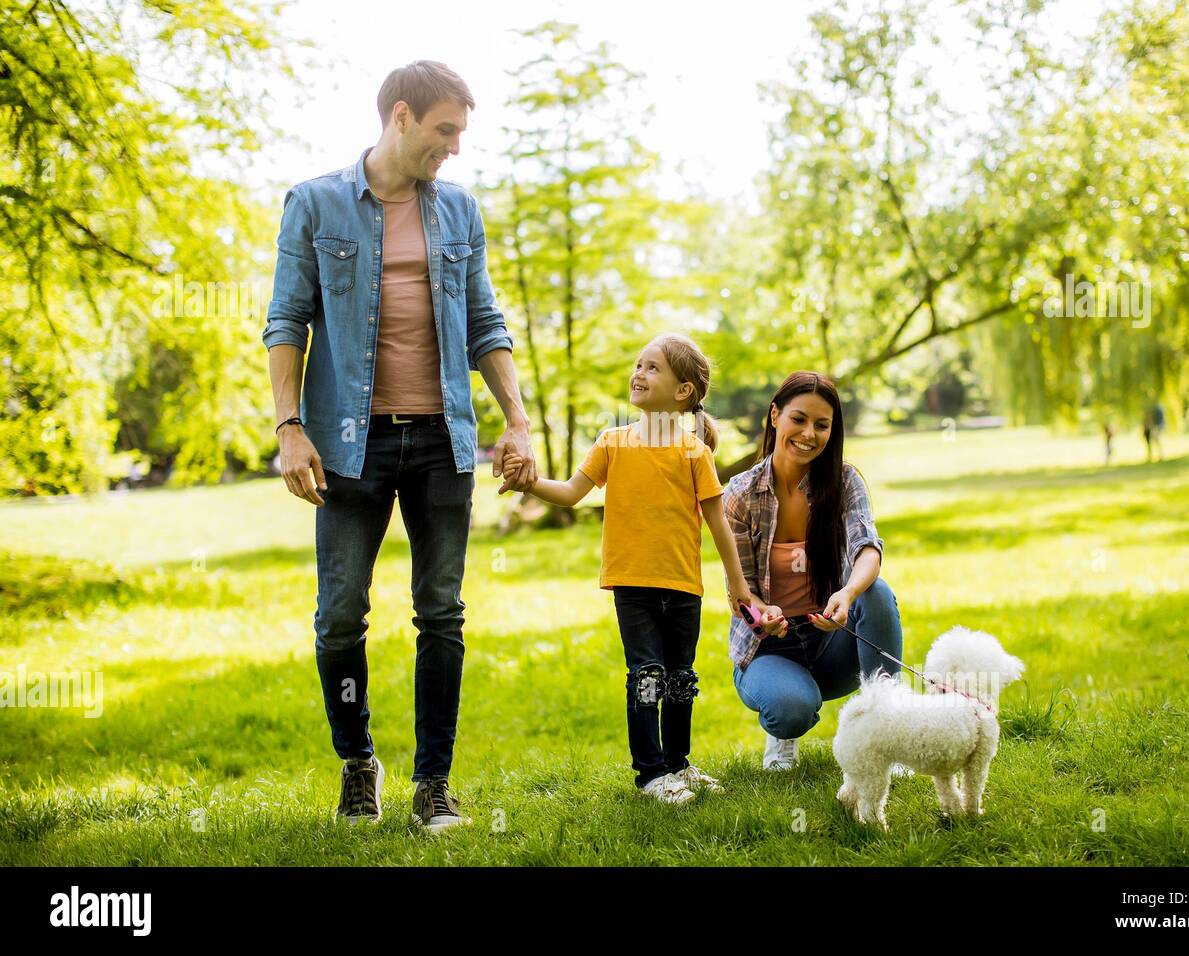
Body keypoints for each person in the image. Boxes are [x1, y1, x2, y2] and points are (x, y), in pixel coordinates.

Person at [262, 61, 537, 831]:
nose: (454, 148)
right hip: (351, 448)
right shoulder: (315, 205)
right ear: (402, 116)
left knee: (441, 613)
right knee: (340, 616)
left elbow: (487, 324)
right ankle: (359, 764)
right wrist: (290, 429)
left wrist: (516, 420)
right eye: (445, 129)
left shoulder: (459, 212)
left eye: (461, 132)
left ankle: (432, 783)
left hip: (444, 441)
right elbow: (286, 321)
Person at [501, 334, 755, 804]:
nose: (639, 373)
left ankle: (679, 765)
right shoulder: (613, 442)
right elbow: (573, 492)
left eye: (653, 367)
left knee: (681, 677)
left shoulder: (694, 453)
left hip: (683, 585)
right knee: (647, 675)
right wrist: (529, 481)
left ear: (683, 391)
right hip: (632, 585)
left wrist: (737, 585)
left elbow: (719, 524)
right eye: (639, 365)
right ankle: (651, 774)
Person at [723, 371, 904, 770]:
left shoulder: (844, 481)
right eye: (799, 419)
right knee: (790, 711)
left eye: (822, 425)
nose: (809, 433)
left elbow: (867, 548)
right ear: (775, 416)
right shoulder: (740, 494)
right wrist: (762, 612)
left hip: (831, 642)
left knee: (876, 591)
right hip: (767, 649)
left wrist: (847, 594)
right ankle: (785, 725)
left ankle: (887, 734)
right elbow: (740, 591)